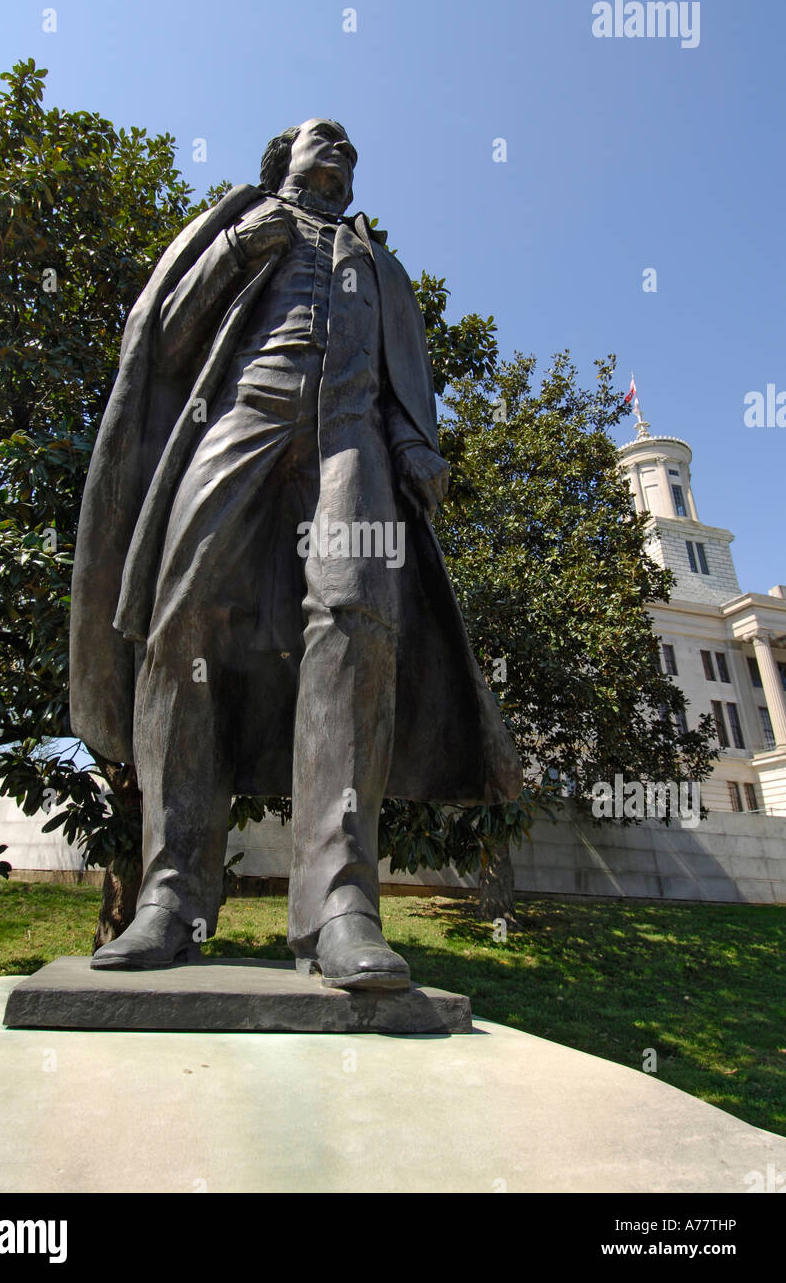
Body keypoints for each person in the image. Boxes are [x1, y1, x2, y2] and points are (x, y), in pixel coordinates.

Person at [69, 119, 521, 989]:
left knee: (357, 623)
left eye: (354, 147)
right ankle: (170, 899)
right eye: (327, 138)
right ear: (283, 158)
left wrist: (414, 442)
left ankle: (341, 906)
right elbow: (162, 344)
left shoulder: (378, 266)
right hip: (242, 412)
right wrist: (240, 246)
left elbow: (396, 379)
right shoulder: (234, 222)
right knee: (183, 616)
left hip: (350, 436)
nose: (344, 152)